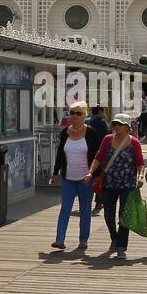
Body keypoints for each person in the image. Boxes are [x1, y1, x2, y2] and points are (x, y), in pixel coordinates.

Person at [85, 113, 144, 260]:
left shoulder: (134, 143)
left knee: (124, 215)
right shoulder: (107, 139)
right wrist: (90, 172)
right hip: (109, 183)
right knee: (108, 215)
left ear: (127, 128)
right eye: (114, 124)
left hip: (127, 184)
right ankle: (114, 237)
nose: (116, 127)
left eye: (119, 125)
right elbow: (98, 157)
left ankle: (121, 247)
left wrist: (140, 176)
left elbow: (140, 163)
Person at [51, 102, 102, 251]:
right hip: (68, 178)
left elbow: (97, 156)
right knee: (65, 208)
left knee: (85, 210)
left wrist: (94, 174)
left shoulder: (91, 132)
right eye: (72, 112)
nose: (74, 116)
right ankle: (59, 240)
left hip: (86, 179)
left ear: (85, 115)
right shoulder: (64, 132)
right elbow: (60, 153)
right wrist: (55, 172)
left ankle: (83, 240)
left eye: (78, 113)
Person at [86, 105, 110, 215]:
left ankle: (88, 202)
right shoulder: (103, 123)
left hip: (89, 154)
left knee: (92, 178)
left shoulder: (88, 123)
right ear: (100, 111)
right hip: (101, 154)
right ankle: (99, 202)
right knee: (99, 179)